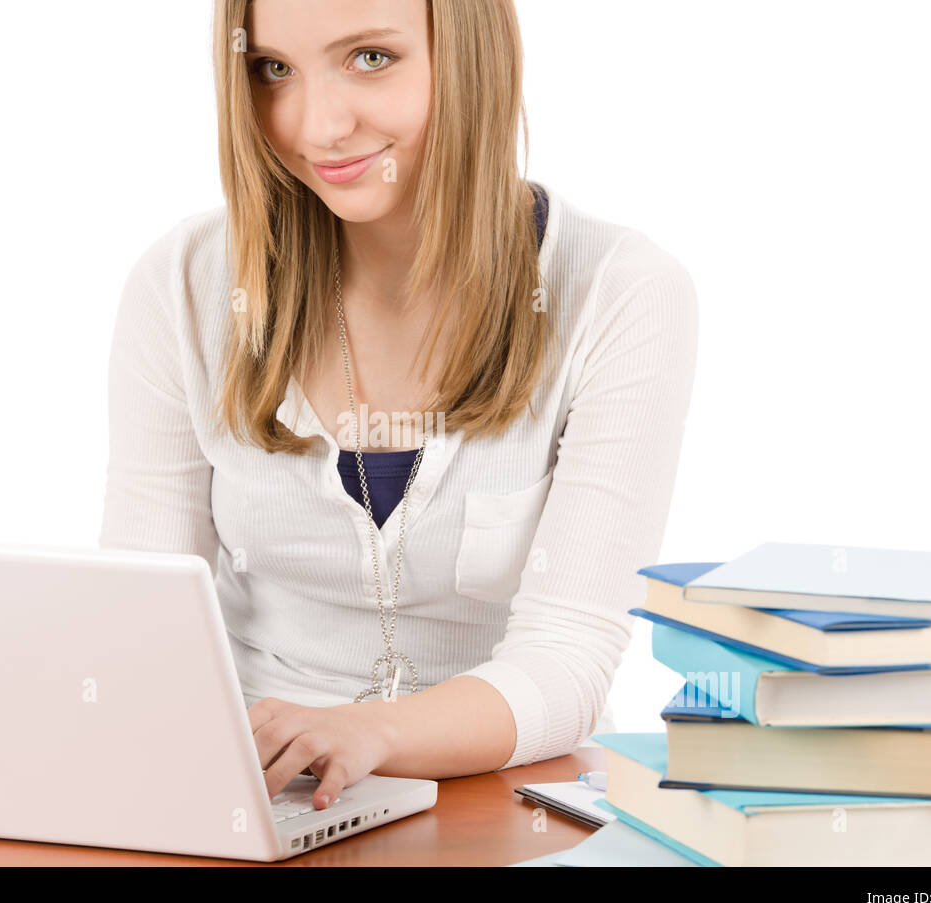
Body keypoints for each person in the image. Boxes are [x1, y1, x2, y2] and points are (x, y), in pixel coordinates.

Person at [99, 0, 698, 812]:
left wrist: (369, 731)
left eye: (370, 58)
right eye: (274, 69)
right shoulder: (184, 285)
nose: (318, 126)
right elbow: (142, 616)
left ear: (470, 51)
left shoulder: (619, 293)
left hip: (507, 802)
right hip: (258, 794)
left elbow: (569, 659)